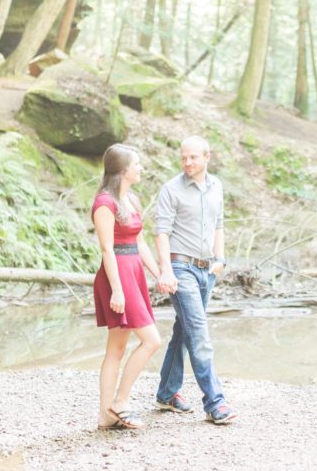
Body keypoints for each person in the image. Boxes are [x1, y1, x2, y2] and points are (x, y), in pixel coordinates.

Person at [154, 135, 238, 425]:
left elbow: (219, 225)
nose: (187, 162)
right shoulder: (171, 189)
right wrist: (165, 270)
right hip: (181, 269)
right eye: (183, 158)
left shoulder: (217, 187)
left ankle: (166, 394)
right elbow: (161, 232)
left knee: (185, 330)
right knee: (199, 334)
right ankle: (215, 403)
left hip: (207, 270)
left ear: (207, 158)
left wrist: (220, 259)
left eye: (193, 157)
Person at [91, 144, 162, 430]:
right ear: (123, 170)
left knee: (116, 349)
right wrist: (117, 290)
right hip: (117, 274)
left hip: (133, 270)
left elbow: (140, 242)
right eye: (137, 163)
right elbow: (107, 249)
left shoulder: (132, 199)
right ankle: (120, 402)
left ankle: (105, 417)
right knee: (151, 340)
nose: (141, 167)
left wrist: (157, 273)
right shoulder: (104, 204)